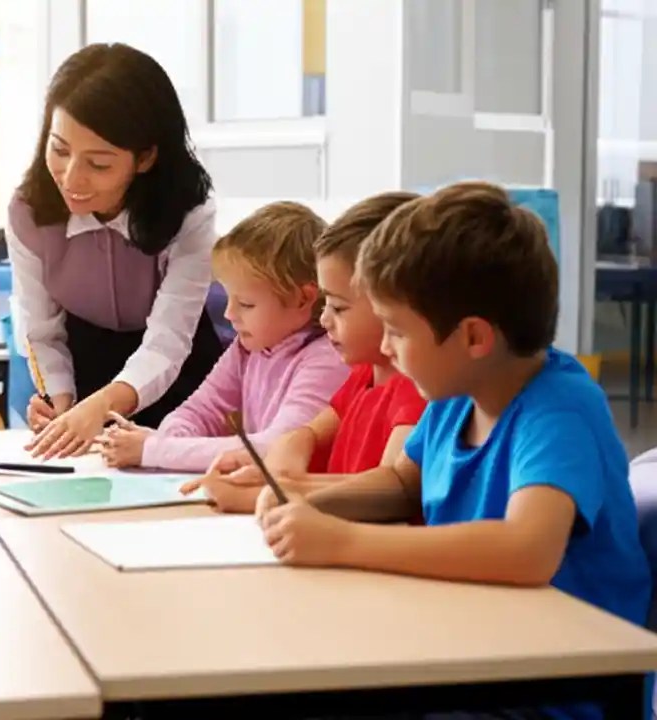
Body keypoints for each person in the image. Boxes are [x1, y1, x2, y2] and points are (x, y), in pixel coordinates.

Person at [256, 182, 650, 718]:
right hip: (469, 649)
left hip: (548, 689)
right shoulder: (455, 393)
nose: (386, 348)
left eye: (397, 331)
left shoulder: (559, 409)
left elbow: (527, 549)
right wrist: (303, 502)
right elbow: (402, 484)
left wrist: (343, 541)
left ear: (473, 338)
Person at [7, 42, 221, 459]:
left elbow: (168, 341)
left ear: (145, 158)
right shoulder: (28, 211)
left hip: (178, 369)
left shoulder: (189, 213)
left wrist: (103, 404)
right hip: (85, 362)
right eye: (60, 150)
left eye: (99, 164)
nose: (71, 179)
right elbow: (42, 331)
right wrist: (62, 403)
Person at [188, 192, 425, 512]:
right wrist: (274, 461)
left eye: (338, 307)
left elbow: (389, 491)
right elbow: (306, 435)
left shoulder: (415, 388)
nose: (324, 319)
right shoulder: (364, 376)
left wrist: (264, 495)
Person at [99, 202, 347, 473]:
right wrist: (165, 443)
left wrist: (155, 450)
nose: (229, 314)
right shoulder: (249, 346)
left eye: (246, 304)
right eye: (230, 298)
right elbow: (199, 411)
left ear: (303, 298)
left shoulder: (329, 358)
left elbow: (277, 446)